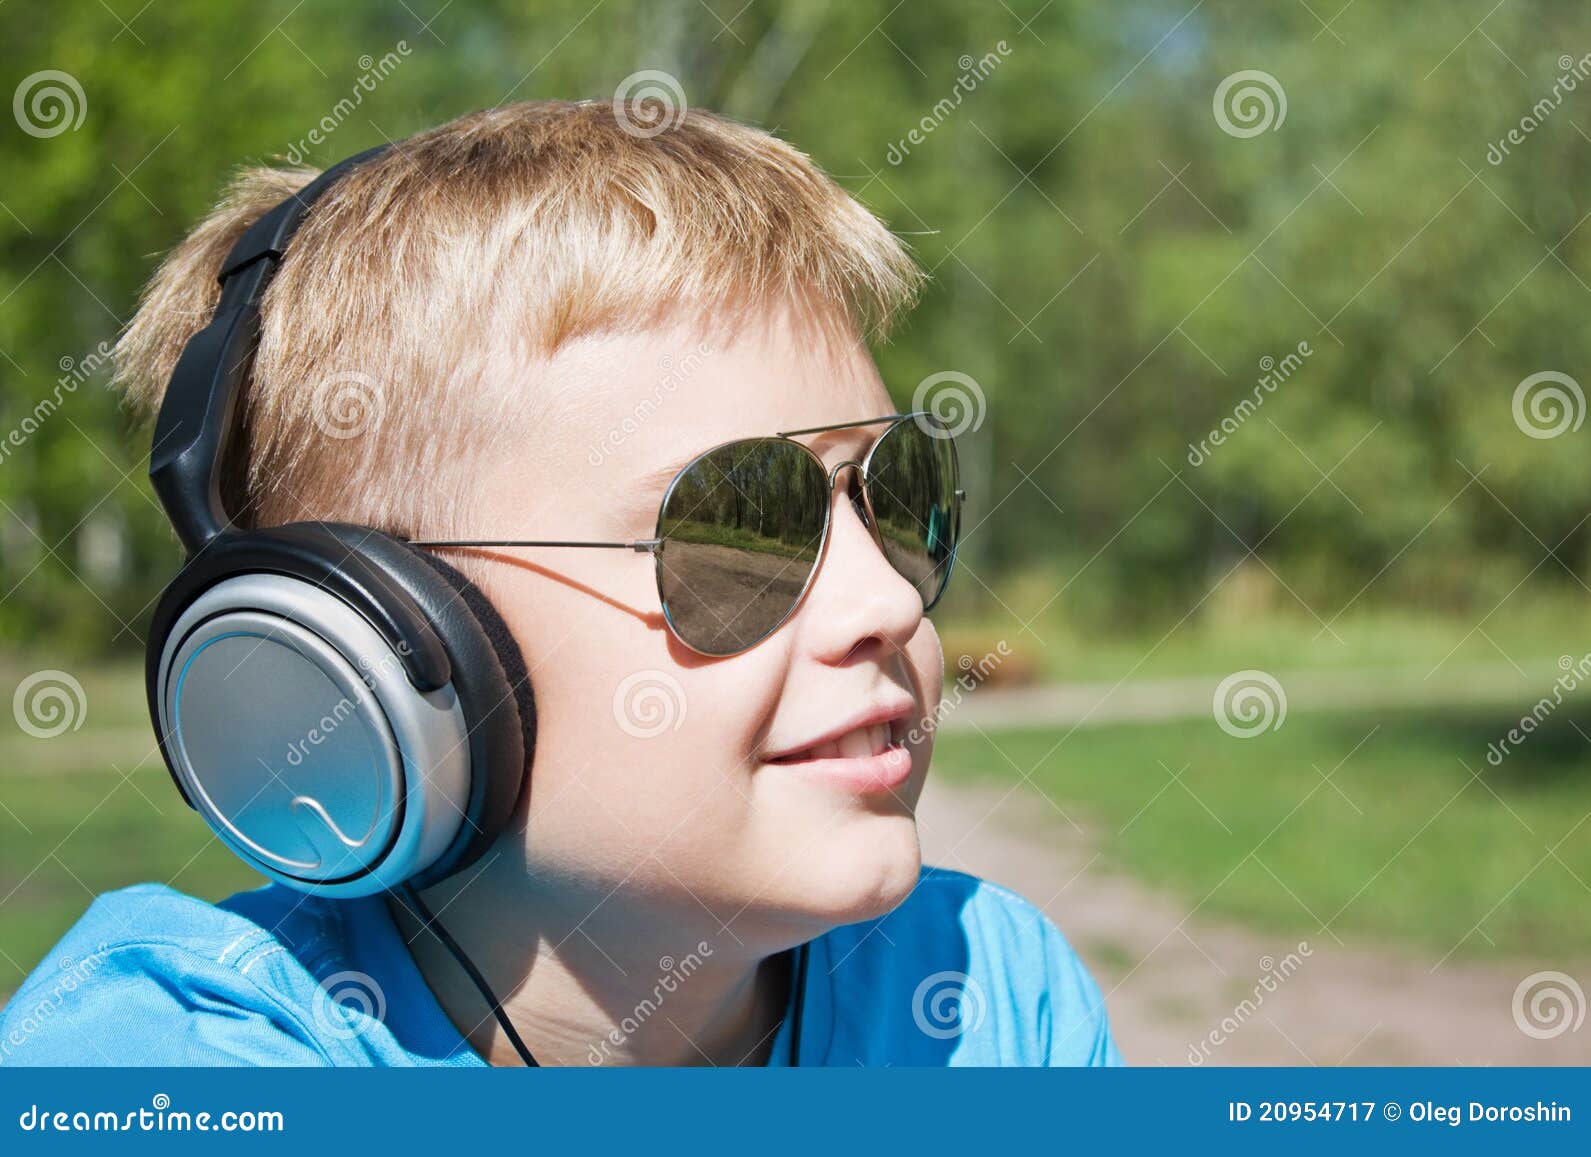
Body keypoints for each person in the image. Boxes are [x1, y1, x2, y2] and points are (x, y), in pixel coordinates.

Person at [0, 100, 1122, 1067]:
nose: (884, 602)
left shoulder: (982, 995)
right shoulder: (178, 1058)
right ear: (372, 652)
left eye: (892, 492)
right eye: (740, 528)